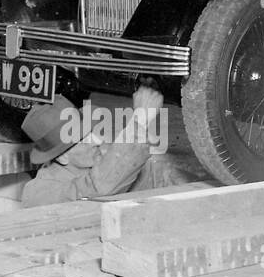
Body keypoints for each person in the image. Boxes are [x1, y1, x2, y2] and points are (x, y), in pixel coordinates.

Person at [20, 82, 193, 207]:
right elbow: (98, 188)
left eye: (91, 132)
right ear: (63, 157)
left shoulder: (88, 160)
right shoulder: (39, 194)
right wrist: (138, 122)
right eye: (84, 140)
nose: (97, 140)